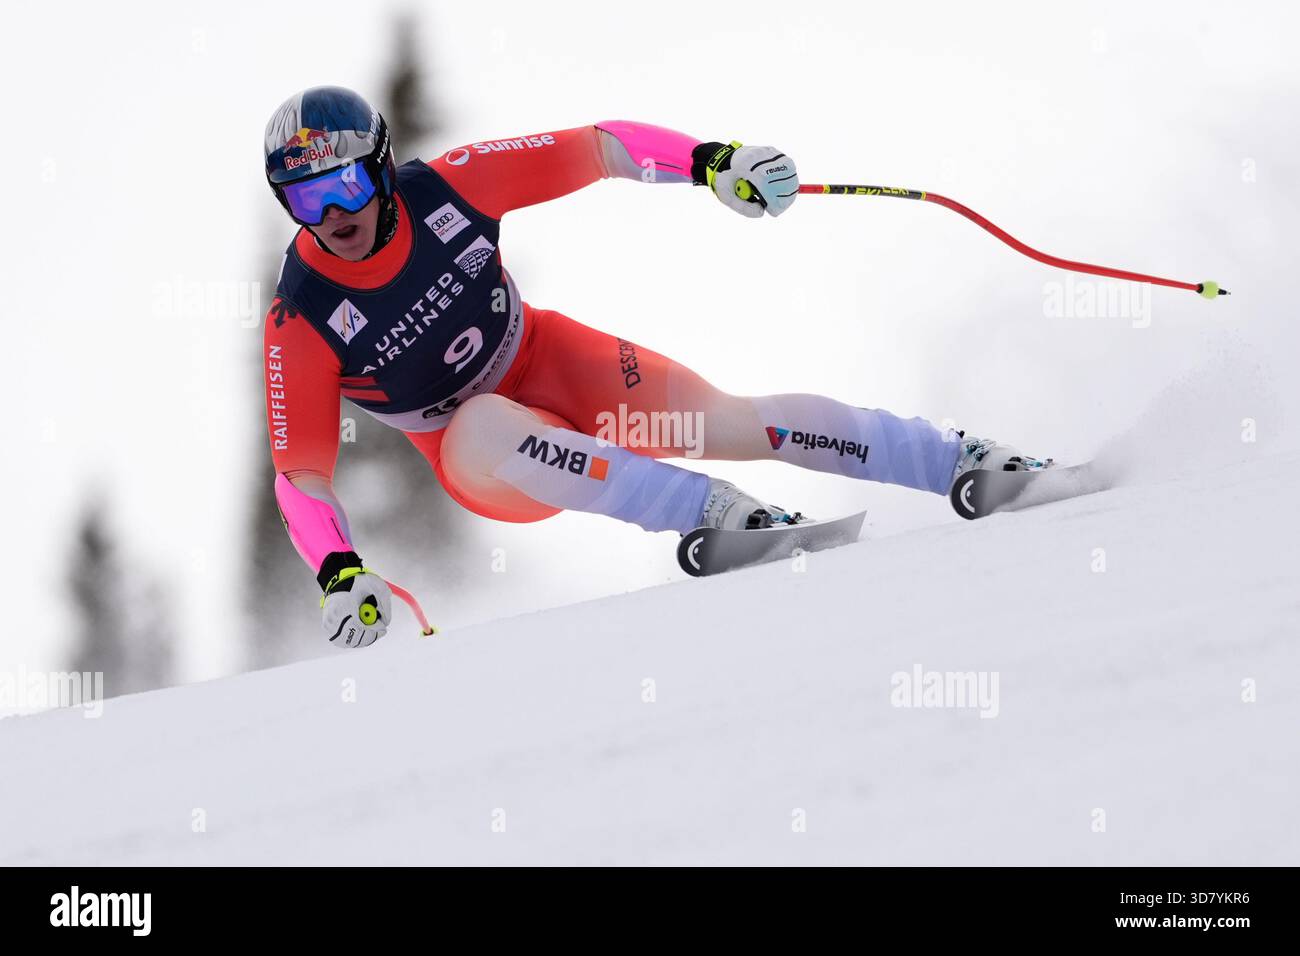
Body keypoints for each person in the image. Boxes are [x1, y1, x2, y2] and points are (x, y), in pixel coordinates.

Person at [261, 86, 1046, 648]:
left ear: (384, 168)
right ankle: (712, 511)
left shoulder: (453, 185)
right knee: (483, 423)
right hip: (485, 459)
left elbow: (601, 146)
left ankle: (965, 459)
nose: (334, 217)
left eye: (347, 183)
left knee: (732, 421)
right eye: (304, 201)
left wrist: (714, 162)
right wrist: (339, 571)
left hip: (555, 364)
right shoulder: (301, 312)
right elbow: (300, 474)